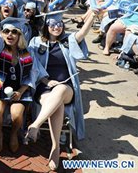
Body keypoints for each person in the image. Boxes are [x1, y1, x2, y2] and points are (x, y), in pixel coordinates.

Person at [26, 9, 98, 170]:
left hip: (66, 88)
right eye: (53, 24)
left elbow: (82, 33)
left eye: (59, 24)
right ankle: (55, 146)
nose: (57, 27)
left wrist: (92, 16)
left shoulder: (68, 40)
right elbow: (32, 66)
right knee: (55, 103)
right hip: (44, 87)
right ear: (46, 26)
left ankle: (36, 125)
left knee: (58, 92)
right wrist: (45, 80)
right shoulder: (36, 42)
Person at [0, 7, 45, 154]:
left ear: (20, 35)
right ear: (2, 34)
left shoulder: (27, 53)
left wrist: (21, 91)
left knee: (17, 115)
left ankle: (14, 134)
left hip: (19, 92)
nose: (10, 34)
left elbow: (32, 74)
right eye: (6, 31)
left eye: (14, 32)